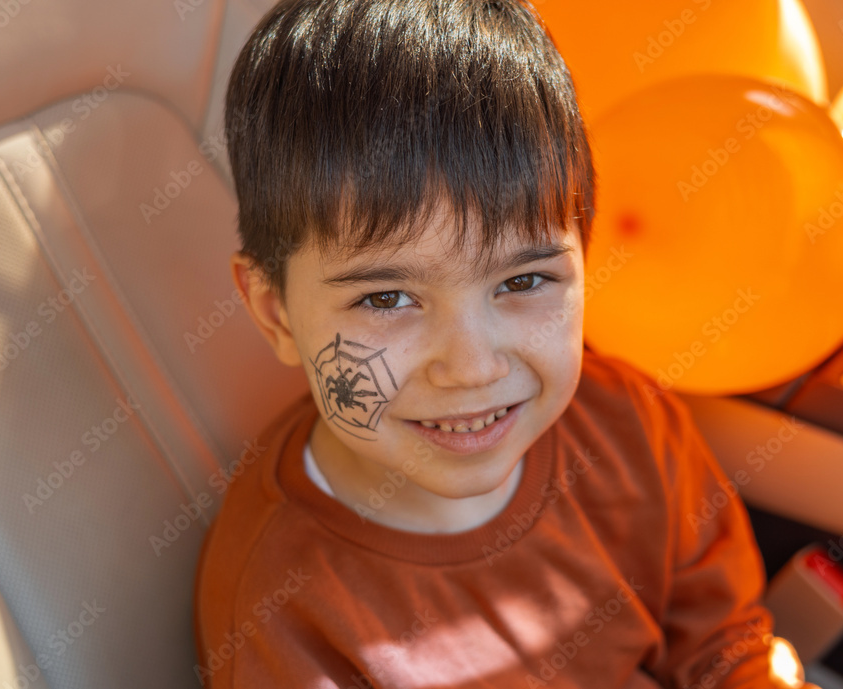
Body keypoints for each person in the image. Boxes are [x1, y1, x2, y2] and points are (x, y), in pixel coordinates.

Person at [193, 1, 793, 686]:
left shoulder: (630, 428)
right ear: (276, 314)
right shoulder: (283, 612)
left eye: (525, 280)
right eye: (387, 298)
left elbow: (722, 644)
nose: (473, 367)